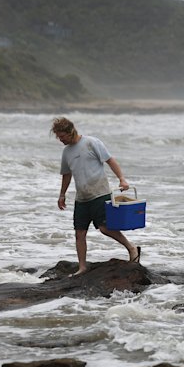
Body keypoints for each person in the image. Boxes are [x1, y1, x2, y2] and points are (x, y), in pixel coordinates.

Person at [51, 117, 140, 277]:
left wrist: (122, 179)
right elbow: (66, 174)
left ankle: (131, 248)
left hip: (100, 194)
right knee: (79, 233)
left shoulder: (91, 143)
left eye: (62, 136)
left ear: (70, 132)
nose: (60, 140)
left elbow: (110, 160)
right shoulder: (66, 152)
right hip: (82, 198)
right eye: (58, 137)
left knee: (105, 228)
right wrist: (62, 194)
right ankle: (82, 267)